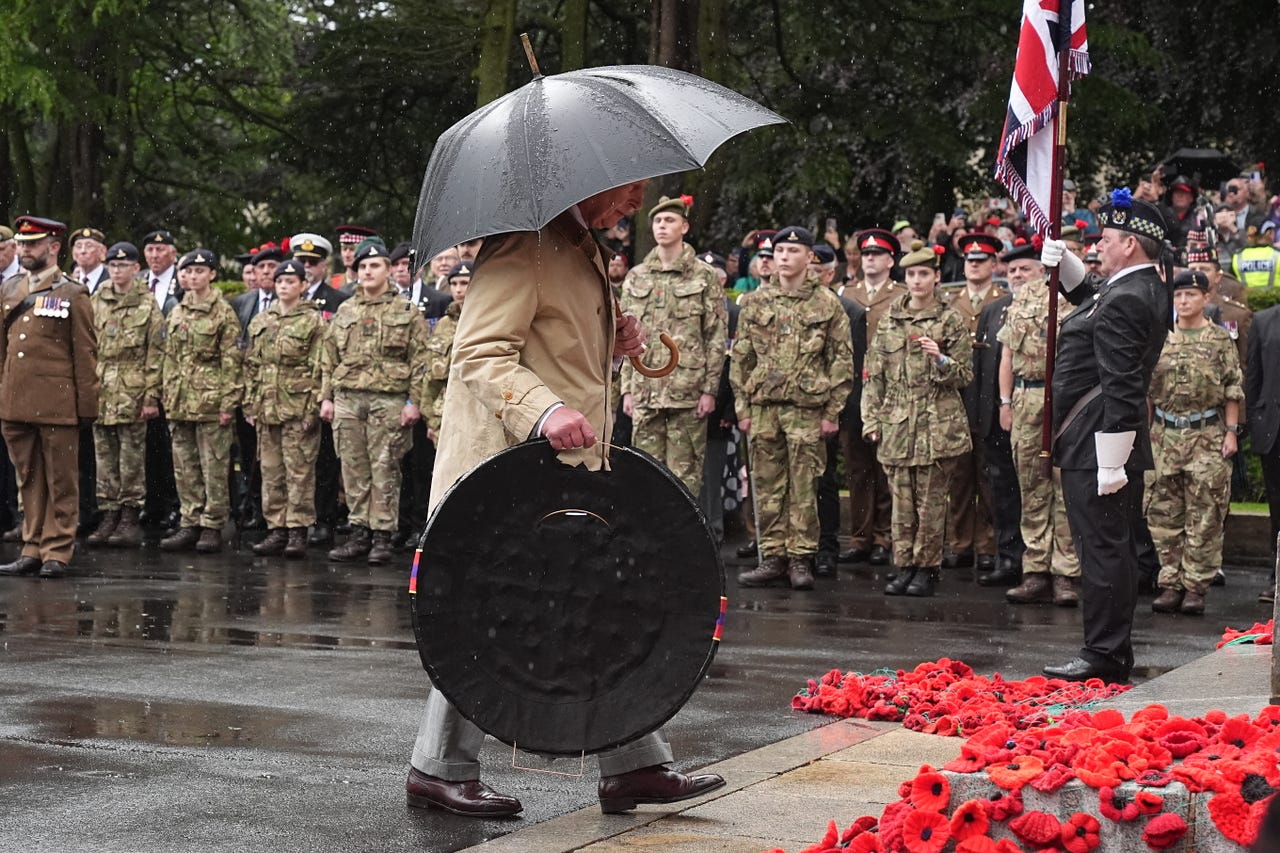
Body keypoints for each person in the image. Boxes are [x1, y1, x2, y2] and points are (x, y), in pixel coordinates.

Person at [405, 179, 724, 818]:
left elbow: (551, 344)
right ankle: (436, 770)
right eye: (628, 189)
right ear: (591, 181)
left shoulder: (576, 246)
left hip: (559, 469)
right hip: (503, 471)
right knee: (482, 616)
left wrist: (615, 340)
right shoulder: (526, 245)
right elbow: (479, 353)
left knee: (589, 600)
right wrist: (545, 411)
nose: (636, 203)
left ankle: (633, 767)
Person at [1040, 188, 1170, 684]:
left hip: (1100, 443)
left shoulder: (1130, 297)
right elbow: (1089, 297)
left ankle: (1105, 652)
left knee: (1103, 551)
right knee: (1105, 547)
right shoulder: (1129, 288)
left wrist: (1113, 460)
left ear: (1131, 246)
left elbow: (1122, 386)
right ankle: (1107, 648)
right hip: (1095, 441)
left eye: (1107, 238)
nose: (1099, 244)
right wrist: (1065, 260)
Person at [731, 226, 854, 591]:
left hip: (806, 410)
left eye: (791, 251)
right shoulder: (755, 301)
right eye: (779, 250)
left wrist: (832, 412)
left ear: (808, 258)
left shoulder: (826, 303)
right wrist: (743, 407)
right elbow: (741, 359)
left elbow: (841, 361)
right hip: (765, 408)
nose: (783, 257)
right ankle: (773, 557)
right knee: (767, 486)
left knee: (804, 487)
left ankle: (801, 559)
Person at [862, 241, 973, 598]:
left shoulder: (950, 318)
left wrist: (941, 360)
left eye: (924, 274)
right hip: (897, 422)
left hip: (937, 423)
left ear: (937, 277)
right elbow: (874, 375)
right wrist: (872, 421)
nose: (917, 281)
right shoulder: (891, 319)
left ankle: (927, 567)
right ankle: (904, 563)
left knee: (930, 501)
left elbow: (965, 376)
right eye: (911, 274)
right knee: (902, 502)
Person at [0, 217, 99, 579]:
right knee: (28, 479)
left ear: (53, 247)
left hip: (58, 404)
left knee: (61, 480)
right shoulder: (10, 289)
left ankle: (57, 549)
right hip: (16, 402)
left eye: (33, 244)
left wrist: (87, 408)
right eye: (22, 244)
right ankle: (32, 545)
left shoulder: (72, 293)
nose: (25, 250)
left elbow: (85, 354)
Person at [320, 241, 429, 566]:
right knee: (353, 469)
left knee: (385, 469)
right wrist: (326, 397)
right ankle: (359, 533)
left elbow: (421, 360)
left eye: (375, 266)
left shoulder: (406, 311)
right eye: (363, 267)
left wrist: (414, 402)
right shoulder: (345, 311)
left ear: (388, 270)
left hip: (389, 401)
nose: (367, 272)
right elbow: (328, 357)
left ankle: (382, 536)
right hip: (349, 400)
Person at [1145, 270, 1242, 615]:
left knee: (1205, 515)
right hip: (1165, 435)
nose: (1184, 301)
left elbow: (1232, 388)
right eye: (1179, 296)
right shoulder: (1160, 338)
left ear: (1205, 298)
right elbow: (1148, 394)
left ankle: (1195, 586)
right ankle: (1170, 582)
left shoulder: (1218, 339)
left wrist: (1231, 432)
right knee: (1164, 514)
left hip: (1206, 434)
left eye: (1190, 295)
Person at [619, 195, 727, 497]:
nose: (662, 226)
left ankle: (684, 542)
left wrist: (709, 389)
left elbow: (715, 336)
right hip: (645, 390)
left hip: (688, 391)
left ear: (685, 226)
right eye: (657, 221)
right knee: (645, 473)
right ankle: (648, 541)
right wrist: (626, 388)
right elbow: (624, 337)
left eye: (669, 220)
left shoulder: (704, 276)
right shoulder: (636, 276)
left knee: (685, 477)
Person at [997, 241, 1081, 603]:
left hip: (1066, 400)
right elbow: (1007, 354)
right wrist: (1004, 401)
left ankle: (1067, 574)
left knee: (1066, 489)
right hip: (1026, 398)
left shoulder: (1077, 296)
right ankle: (1035, 570)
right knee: (1032, 488)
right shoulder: (1023, 298)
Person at [85, 241, 169, 549]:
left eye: (124, 265)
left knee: (131, 457)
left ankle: (130, 515)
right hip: (102, 388)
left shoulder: (147, 305)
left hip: (133, 389)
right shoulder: (97, 301)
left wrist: (151, 397)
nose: (117, 270)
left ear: (136, 268)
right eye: (113, 265)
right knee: (104, 457)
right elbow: (87, 345)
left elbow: (156, 354)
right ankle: (109, 513)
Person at [159, 249, 242, 554]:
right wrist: (167, 392)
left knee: (214, 467)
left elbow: (231, 360)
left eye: (198, 271)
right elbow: (169, 356)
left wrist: (228, 403)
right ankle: (189, 521)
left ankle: (213, 524)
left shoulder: (222, 312)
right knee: (185, 466)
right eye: (187, 272)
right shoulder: (177, 310)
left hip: (210, 401)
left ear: (212, 275)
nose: (192, 277)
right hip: (180, 401)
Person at [244, 259, 325, 558]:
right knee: (271, 471)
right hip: (267, 408)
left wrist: (312, 409)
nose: (284, 286)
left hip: (297, 408)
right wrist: (251, 404)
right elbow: (252, 365)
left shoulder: (313, 321)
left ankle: (297, 531)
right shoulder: (262, 320)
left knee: (299, 472)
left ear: (303, 285)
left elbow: (320, 367)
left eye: (291, 281)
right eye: (280, 281)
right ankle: (276, 528)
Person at [838, 228, 903, 566]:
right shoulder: (846, 293)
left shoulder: (901, 295)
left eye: (877, 254)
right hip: (853, 389)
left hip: (889, 390)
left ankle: (885, 536)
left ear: (891, 260)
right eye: (866, 254)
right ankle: (860, 537)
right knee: (858, 466)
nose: (870, 259)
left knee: (886, 467)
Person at [944, 232, 1004, 572]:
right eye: (970, 261)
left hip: (991, 394)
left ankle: (987, 543)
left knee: (989, 476)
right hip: (957, 398)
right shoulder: (951, 302)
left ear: (994, 265)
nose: (974, 266)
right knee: (959, 476)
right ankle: (961, 542)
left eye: (981, 261)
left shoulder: (1003, 300)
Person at [812, 243, 867, 576]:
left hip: (830, 408)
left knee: (826, 479)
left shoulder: (848, 309)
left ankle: (826, 547)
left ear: (830, 274)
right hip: (798, 406)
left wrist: (841, 412)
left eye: (818, 271)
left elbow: (852, 365)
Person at [293, 232, 349, 547]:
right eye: (301, 261)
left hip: (323, 391)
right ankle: (294, 522)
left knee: (325, 460)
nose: (306, 267)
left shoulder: (337, 301)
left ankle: (324, 520)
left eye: (312, 262)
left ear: (324, 266)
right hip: (291, 395)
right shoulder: (285, 297)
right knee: (296, 464)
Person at [138, 228, 182, 535]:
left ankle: (174, 506)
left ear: (173, 254)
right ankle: (152, 503)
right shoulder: (138, 282)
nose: (155, 255)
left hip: (173, 374)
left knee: (171, 449)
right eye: (150, 251)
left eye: (161, 250)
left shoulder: (185, 282)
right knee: (148, 446)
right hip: (140, 375)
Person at [1247, 297, 1280, 603]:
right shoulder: (1264, 319)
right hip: (1274, 431)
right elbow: (1253, 376)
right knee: (1277, 510)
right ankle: (1277, 577)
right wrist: (1256, 422)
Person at [421, 262, 471, 443]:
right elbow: (430, 376)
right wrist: (431, 420)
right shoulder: (443, 324)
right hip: (446, 411)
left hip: (479, 412)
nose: (458, 289)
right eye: (454, 284)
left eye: (465, 283)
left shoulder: (490, 321)